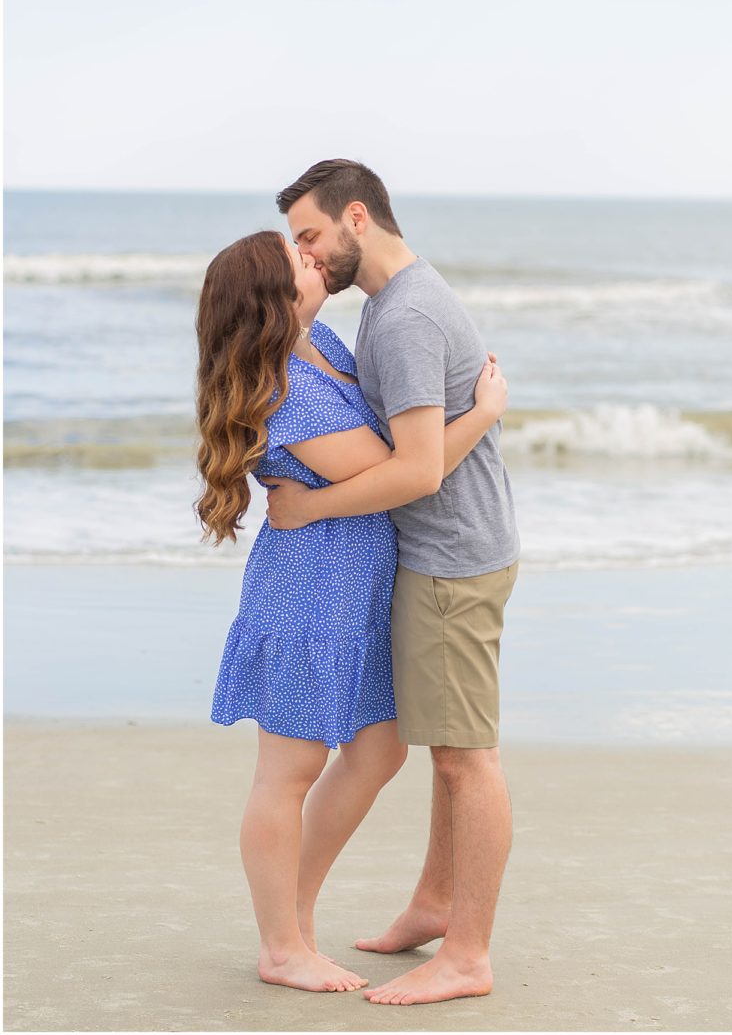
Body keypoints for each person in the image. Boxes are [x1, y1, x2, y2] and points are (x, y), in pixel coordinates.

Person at [194, 229, 508, 994]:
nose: (315, 257)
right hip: (309, 593)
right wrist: (485, 411)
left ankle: (295, 912)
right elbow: (406, 470)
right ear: (273, 299)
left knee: (378, 752)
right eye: (297, 261)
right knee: (289, 770)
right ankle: (281, 947)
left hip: (359, 589)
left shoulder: (327, 345)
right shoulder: (285, 390)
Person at [266, 159, 522, 1006]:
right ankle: (436, 904)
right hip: (450, 550)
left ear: (356, 218)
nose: (306, 255)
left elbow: (415, 472)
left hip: (450, 558)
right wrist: (484, 414)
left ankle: (468, 955)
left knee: (465, 760)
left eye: (310, 235)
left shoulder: (403, 317)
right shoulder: (387, 305)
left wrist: (310, 507)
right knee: (449, 752)